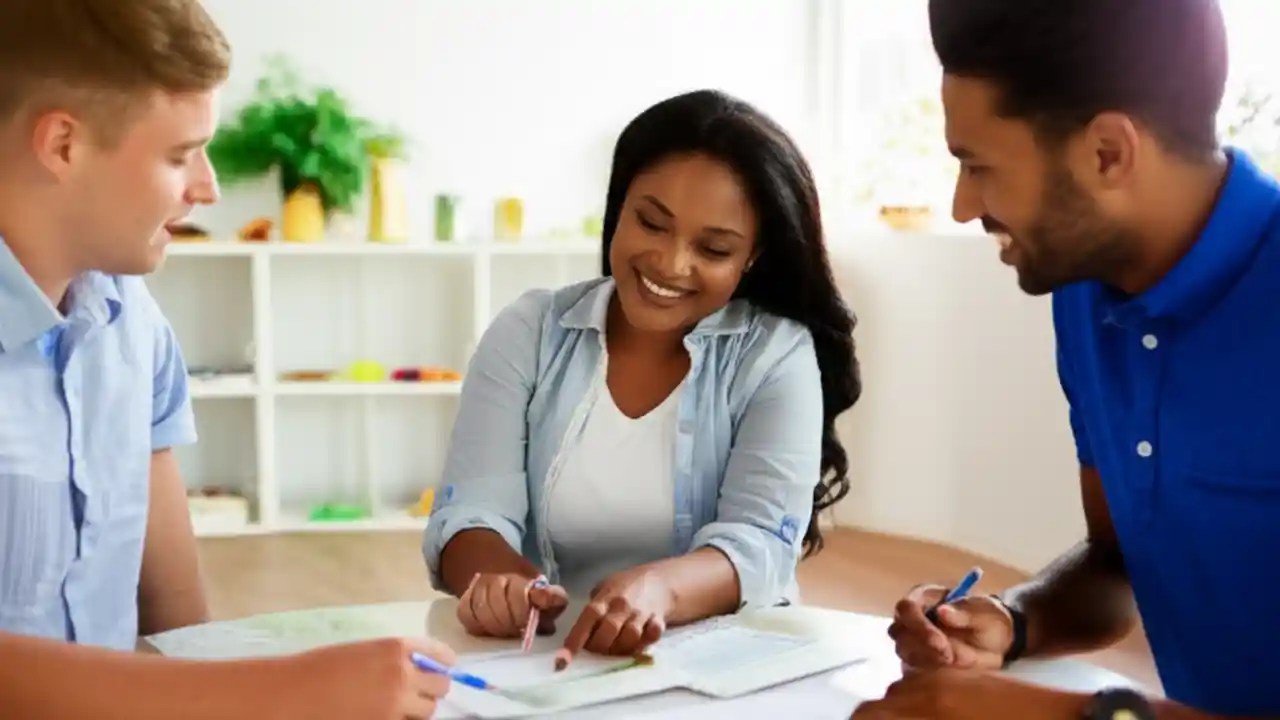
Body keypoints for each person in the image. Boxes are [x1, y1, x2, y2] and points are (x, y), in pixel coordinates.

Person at [0, 2, 453, 718]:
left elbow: (179, 625)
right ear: (62, 145)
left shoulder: (132, 323)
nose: (207, 187)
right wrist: (284, 691)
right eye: (180, 155)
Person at [856, 0, 1280, 719]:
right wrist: (1013, 621)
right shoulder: (1086, 295)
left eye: (979, 166)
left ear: (1107, 153)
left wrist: (1046, 714)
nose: (963, 207)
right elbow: (1119, 563)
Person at [422, 89, 861, 664]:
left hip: (716, 665)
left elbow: (759, 544)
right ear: (618, 206)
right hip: (539, 658)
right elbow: (469, 512)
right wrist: (503, 584)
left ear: (751, 258)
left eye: (714, 248)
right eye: (651, 223)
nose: (671, 264)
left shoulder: (776, 355)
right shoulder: (528, 332)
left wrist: (658, 590)